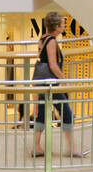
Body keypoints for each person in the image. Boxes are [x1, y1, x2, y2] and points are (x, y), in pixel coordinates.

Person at [32, 13, 81, 161]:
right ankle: (71, 148)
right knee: (66, 112)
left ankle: (36, 147)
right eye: (62, 23)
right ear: (56, 26)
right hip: (50, 84)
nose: (64, 25)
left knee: (41, 114)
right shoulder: (52, 41)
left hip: (42, 83)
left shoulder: (43, 38)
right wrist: (64, 80)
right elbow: (53, 64)